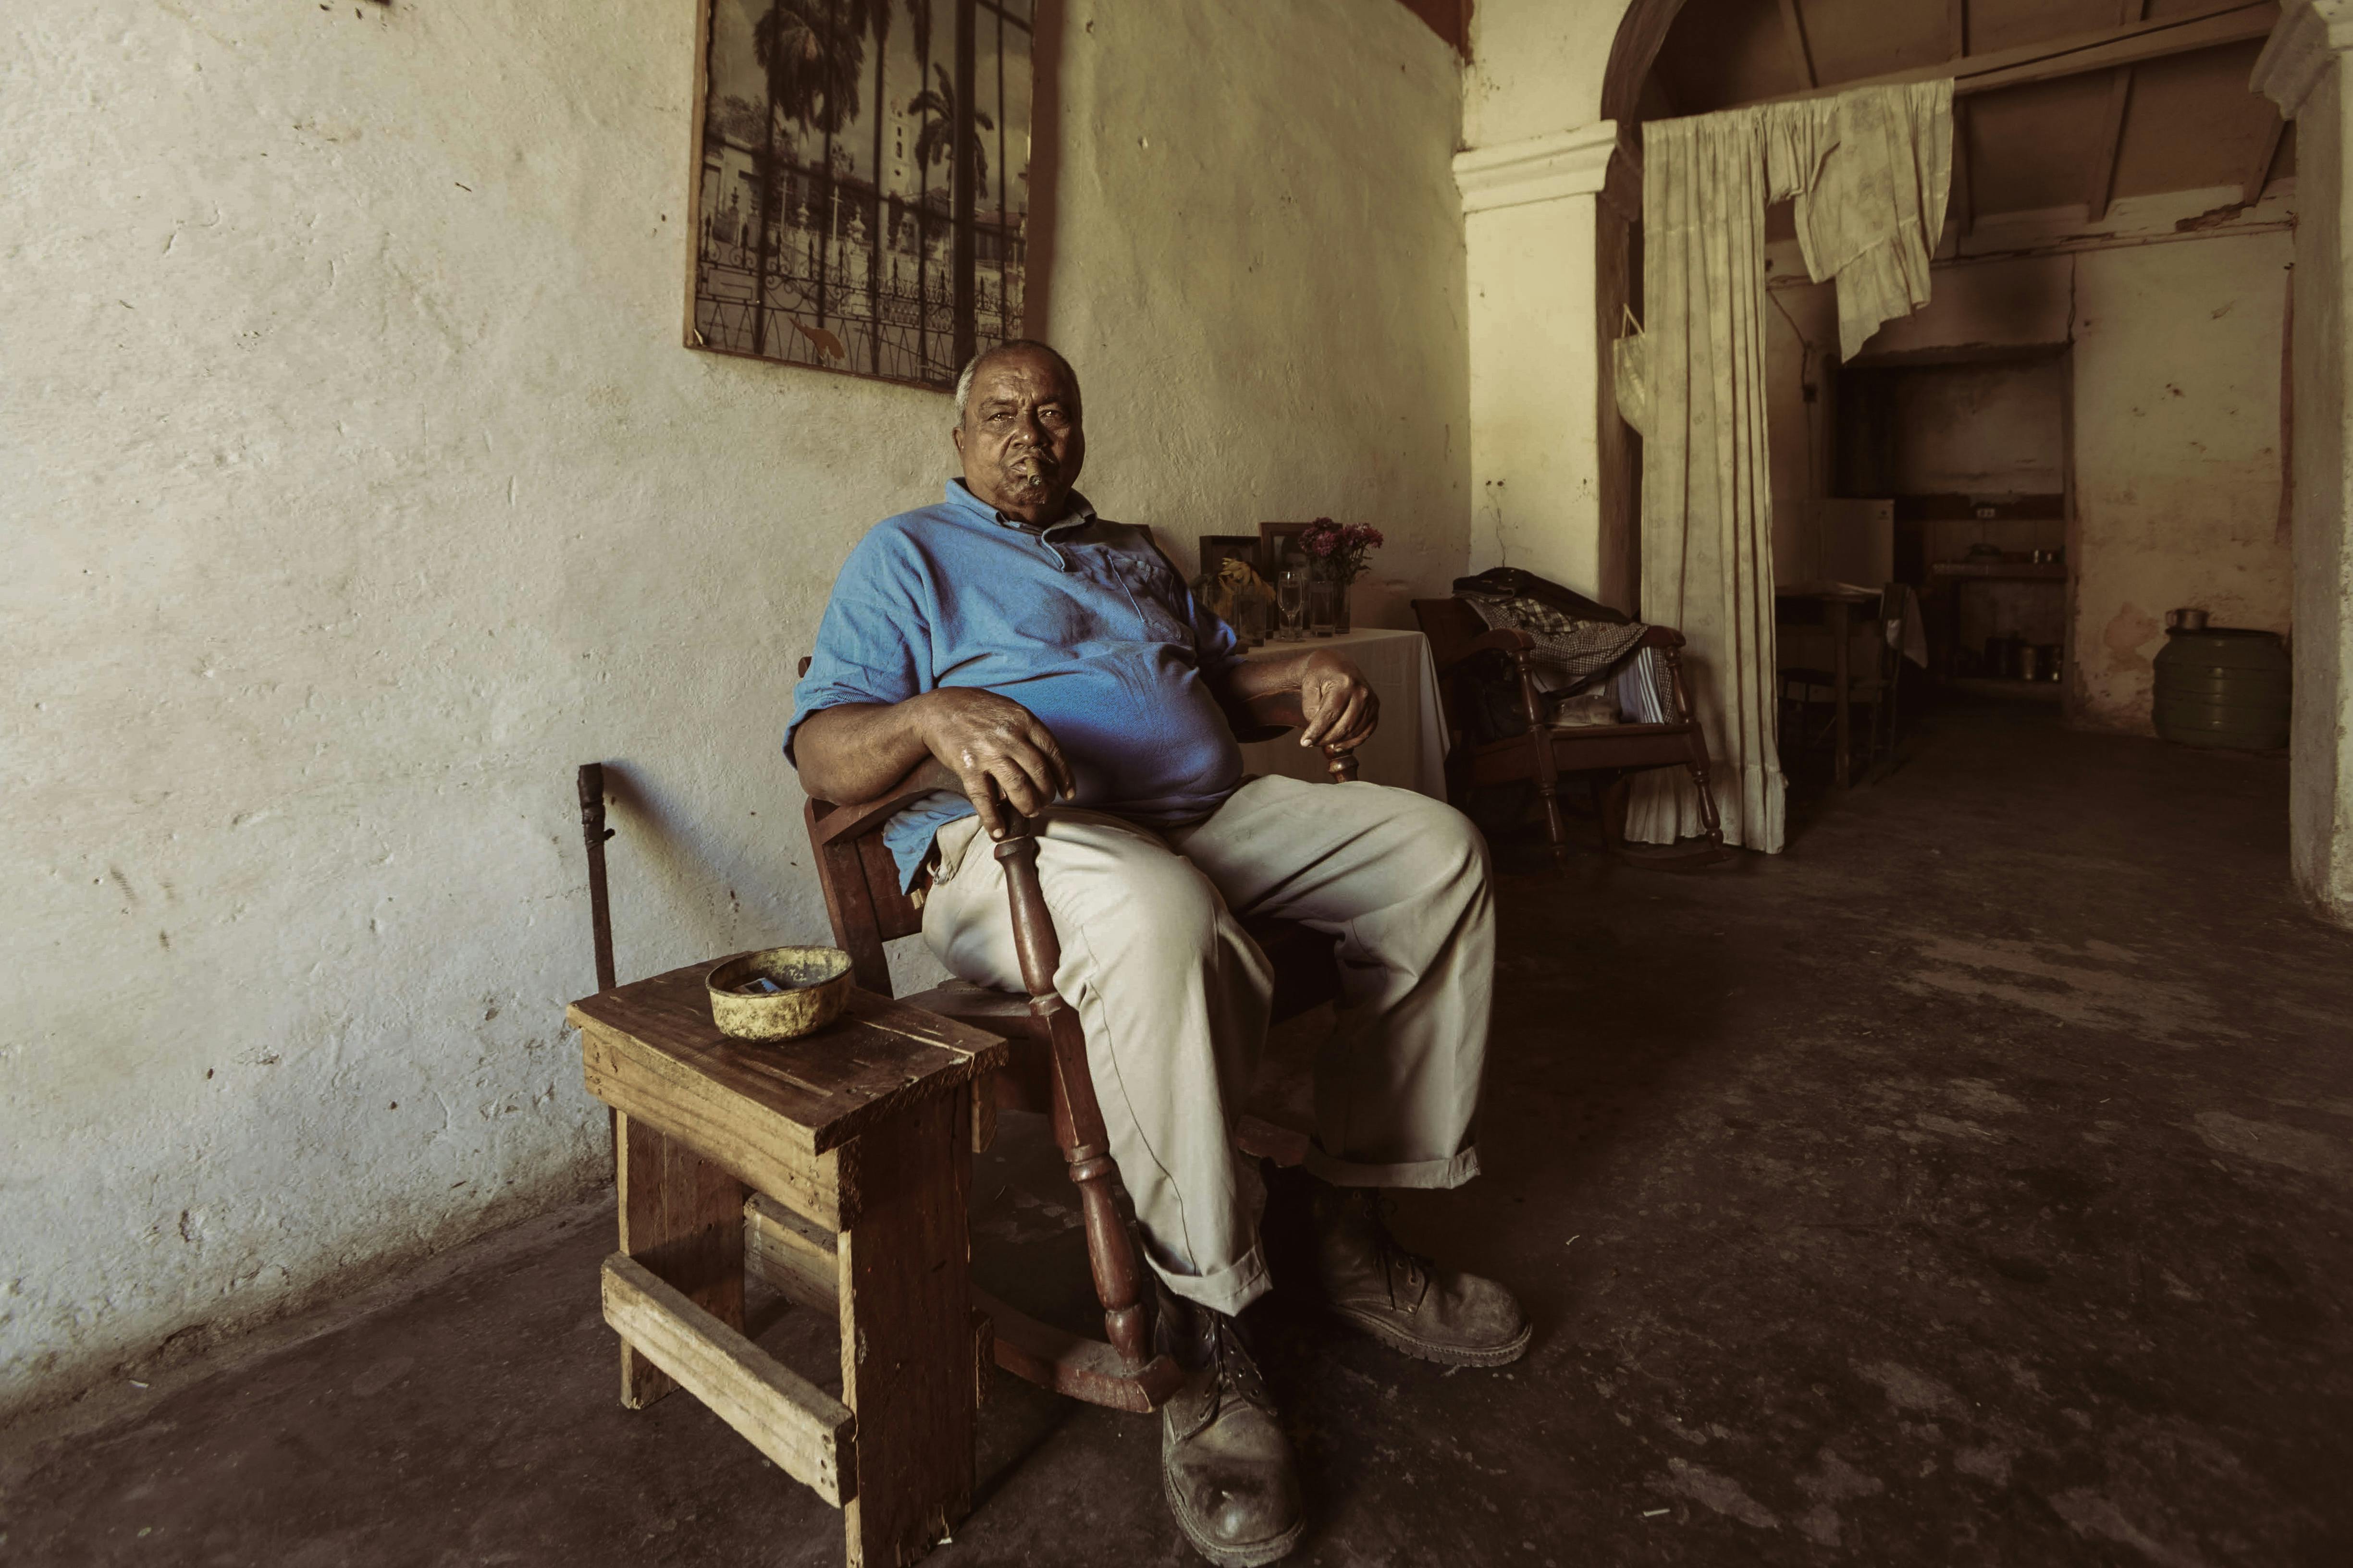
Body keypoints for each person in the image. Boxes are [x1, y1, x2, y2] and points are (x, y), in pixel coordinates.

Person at [787, 340, 1525, 1567]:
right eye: (1004, 414)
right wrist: (928, 714)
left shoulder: (1131, 549)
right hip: (1017, 848)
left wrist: (1316, 676)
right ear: (960, 439)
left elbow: (1223, 686)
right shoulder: (906, 555)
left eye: (1057, 412)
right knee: (1159, 916)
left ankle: (1355, 1220)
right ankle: (1213, 1314)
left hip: (1203, 815)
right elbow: (821, 751)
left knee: (1437, 851)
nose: (1034, 433)